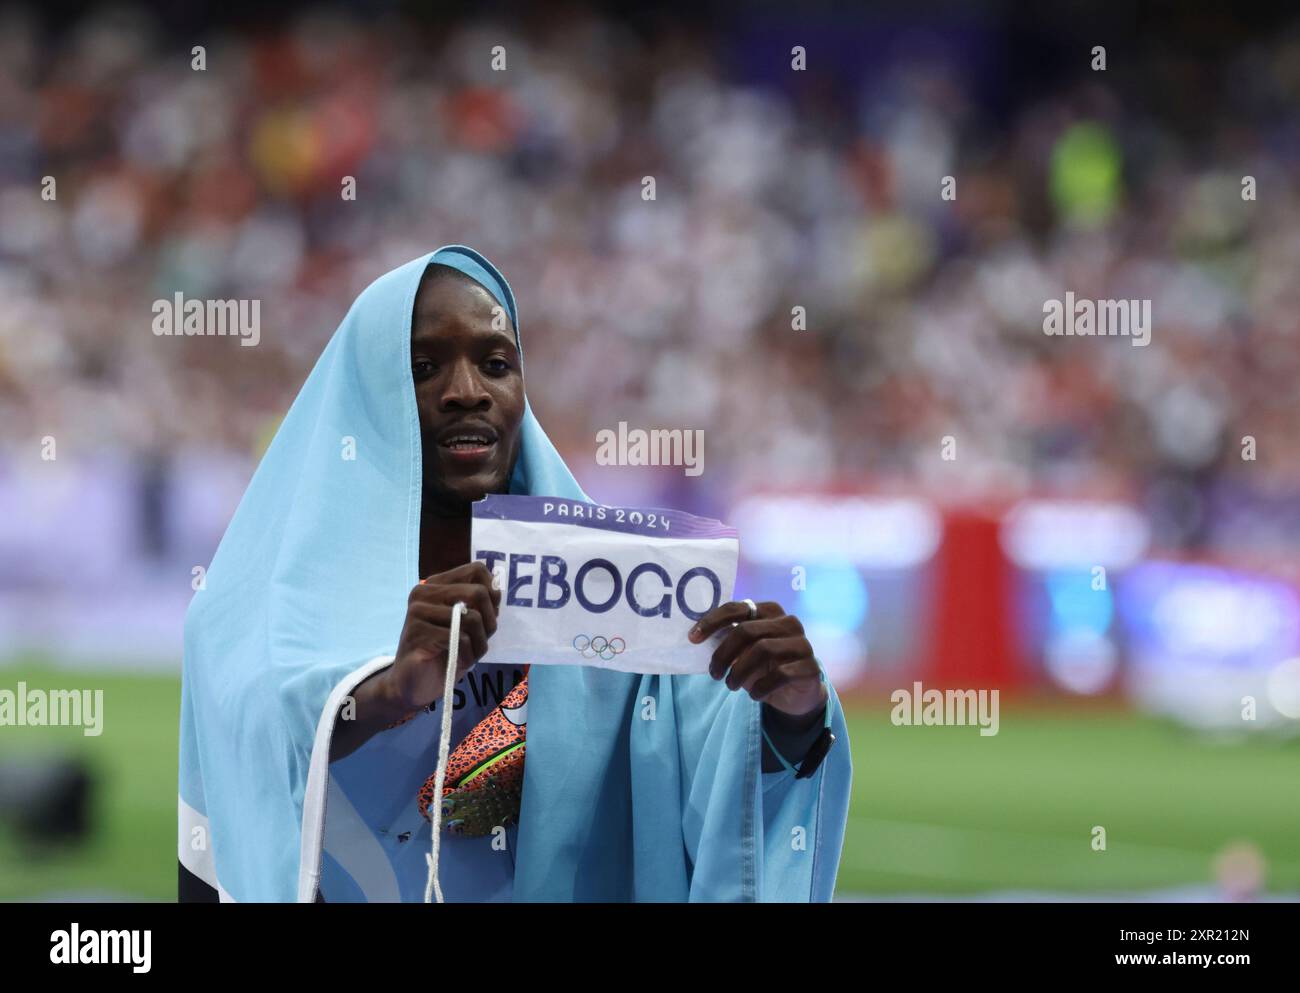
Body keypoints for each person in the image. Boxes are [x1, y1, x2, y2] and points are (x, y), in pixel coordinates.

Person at [178, 245, 852, 902]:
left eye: (496, 363)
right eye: (422, 366)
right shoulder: (259, 607)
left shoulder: (605, 587)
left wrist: (790, 711)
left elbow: (697, 752)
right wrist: (387, 690)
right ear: (363, 399)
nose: (466, 392)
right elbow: (251, 751)